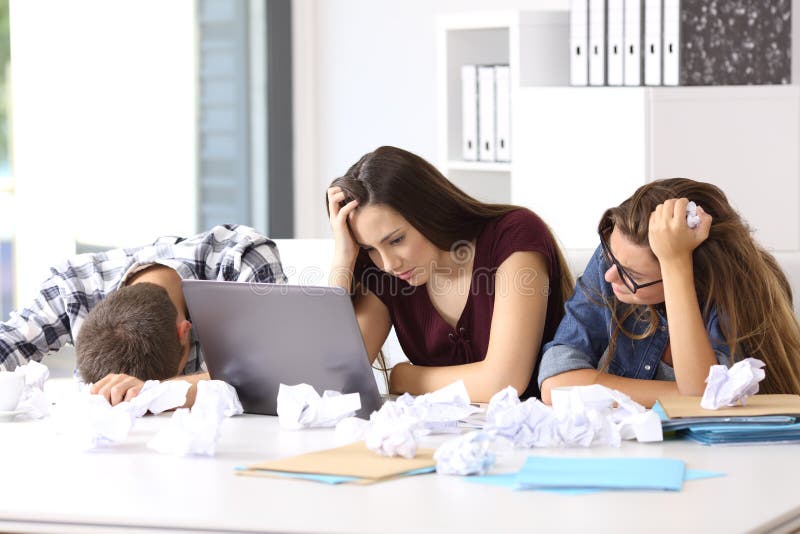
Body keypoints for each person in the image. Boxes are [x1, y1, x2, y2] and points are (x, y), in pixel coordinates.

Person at [326, 146, 573, 402]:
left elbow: (504, 382)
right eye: (369, 248)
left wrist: (405, 377)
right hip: (438, 438)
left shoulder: (513, 234)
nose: (388, 263)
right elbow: (336, 378)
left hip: (534, 435)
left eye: (397, 239)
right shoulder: (386, 275)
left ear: (428, 210)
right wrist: (343, 258)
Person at [538, 178, 800, 407]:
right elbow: (556, 383)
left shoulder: (734, 294)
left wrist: (676, 265)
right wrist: (681, 394)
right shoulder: (618, 259)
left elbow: (704, 396)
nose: (609, 276)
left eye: (634, 275)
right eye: (609, 259)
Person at [0, 224, 286, 405]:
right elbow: (7, 347)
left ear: (184, 332)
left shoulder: (240, 261)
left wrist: (156, 393)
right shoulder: (73, 288)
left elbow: (279, 368)